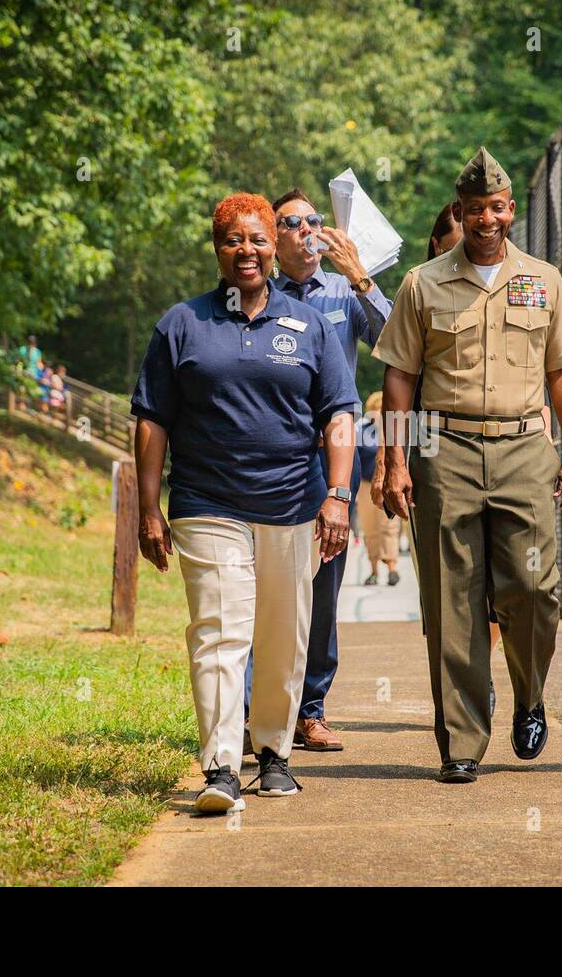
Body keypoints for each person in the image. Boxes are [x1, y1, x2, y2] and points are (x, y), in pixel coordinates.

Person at [130, 192, 357, 814]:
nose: (247, 251)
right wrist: (148, 510)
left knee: (283, 638)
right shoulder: (182, 324)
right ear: (217, 248)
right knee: (219, 632)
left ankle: (274, 753)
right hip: (207, 503)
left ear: (274, 246)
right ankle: (221, 768)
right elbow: (152, 419)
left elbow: (339, 415)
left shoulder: (309, 325)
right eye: (234, 240)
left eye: (258, 239)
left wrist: (338, 496)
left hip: (293, 506)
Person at [373, 147, 562, 783]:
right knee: (452, 600)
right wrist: (395, 460)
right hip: (445, 451)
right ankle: (462, 742)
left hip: (525, 449)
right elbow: (399, 377)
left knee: (534, 588)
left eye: (495, 207)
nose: (485, 219)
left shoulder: (544, 281)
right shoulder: (422, 283)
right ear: (460, 212)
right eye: (474, 209)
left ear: (511, 210)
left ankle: (529, 695)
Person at [240, 186, 392, 755]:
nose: (307, 230)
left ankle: (310, 710)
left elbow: (399, 343)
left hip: (333, 457)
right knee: (260, 587)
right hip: (269, 457)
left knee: (322, 588)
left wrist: (360, 276)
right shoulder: (256, 294)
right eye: (292, 223)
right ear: (272, 239)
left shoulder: (343, 291)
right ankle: (250, 712)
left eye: (314, 220)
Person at [356, 392, 400, 586]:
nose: (378, 413)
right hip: (366, 485)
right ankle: (374, 570)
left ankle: (392, 568)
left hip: (389, 485)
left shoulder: (395, 432)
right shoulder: (361, 430)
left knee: (389, 526)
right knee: (370, 528)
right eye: (376, 409)